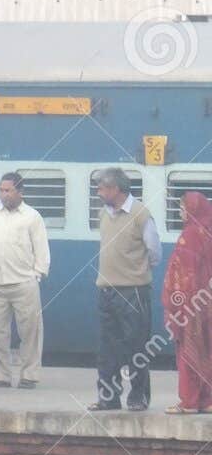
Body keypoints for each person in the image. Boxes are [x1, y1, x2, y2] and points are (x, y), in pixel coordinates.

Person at [91, 166, 162, 411]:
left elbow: (154, 251)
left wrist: (136, 272)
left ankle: (138, 397)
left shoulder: (141, 214)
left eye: (101, 188)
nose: (98, 192)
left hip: (133, 292)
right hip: (106, 291)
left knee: (137, 346)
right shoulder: (104, 213)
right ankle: (108, 398)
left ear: (115, 189)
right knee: (107, 347)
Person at [0, 172, 49, 389]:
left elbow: (41, 250)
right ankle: (0, 376)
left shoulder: (32, 217)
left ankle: (29, 375)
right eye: (1, 190)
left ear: (20, 192)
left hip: (23, 283)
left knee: (30, 332)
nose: (3, 195)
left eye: (8, 190)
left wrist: (37, 274)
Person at [163, 191, 212, 414]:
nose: (181, 213)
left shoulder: (190, 235)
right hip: (207, 302)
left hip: (192, 304)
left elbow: (184, 273)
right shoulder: (207, 231)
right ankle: (207, 400)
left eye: (183, 208)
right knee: (207, 350)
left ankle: (190, 401)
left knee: (189, 351)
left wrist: (177, 304)